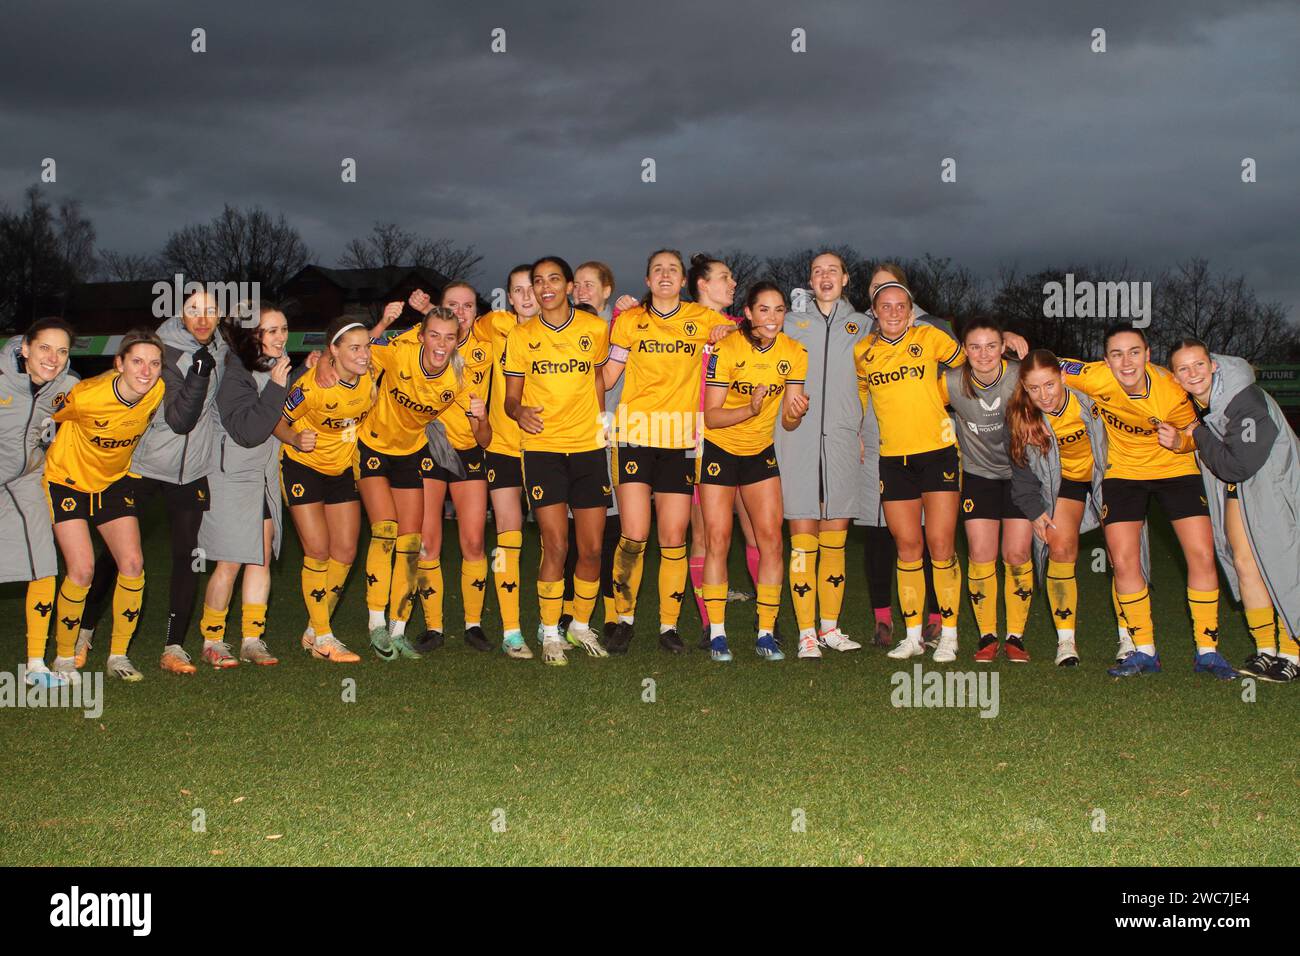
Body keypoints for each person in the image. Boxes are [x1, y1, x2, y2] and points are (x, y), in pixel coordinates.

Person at [1058, 323, 1230, 679]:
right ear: (1105, 360)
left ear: (1148, 355)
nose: (1126, 362)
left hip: (1175, 469)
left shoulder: (1171, 389)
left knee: (1200, 554)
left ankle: (1208, 652)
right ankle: (1144, 651)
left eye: (1134, 352)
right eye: (1117, 354)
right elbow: (1047, 365)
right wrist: (1016, 346)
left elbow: (1195, 435)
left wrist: (1180, 442)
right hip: (1123, 473)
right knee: (1122, 561)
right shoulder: (1094, 377)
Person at [76, 291, 226, 675]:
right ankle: (85, 630)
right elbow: (181, 419)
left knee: (187, 556)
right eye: (194, 310)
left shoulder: (223, 348)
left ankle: (173, 646)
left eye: (210, 311)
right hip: (146, 463)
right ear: (181, 313)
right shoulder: (164, 349)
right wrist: (199, 369)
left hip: (191, 469)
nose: (203, 318)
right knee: (116, 553)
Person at [601, 249, 736, 655]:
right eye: (657, 269)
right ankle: (624, 621)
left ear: (683, 282)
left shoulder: (704, 319)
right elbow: (607, 376)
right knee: (635, 534)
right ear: (646, 280)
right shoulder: (629, 321)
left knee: (674, 537)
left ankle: (668, 626)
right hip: (635, 437)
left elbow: (743, 335)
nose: (664, 274)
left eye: (672, 270)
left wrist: (724, 335)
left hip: (680, 440)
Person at [368, 284, 496, 653]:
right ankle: (434, 626)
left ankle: (473, 624)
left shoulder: (488, 346)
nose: (460, 311)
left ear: (476, 311)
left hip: (469, 449)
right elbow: (372, 354)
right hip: (428, 447)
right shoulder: (420, 342)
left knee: (473, 540)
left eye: (468, 305)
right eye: (452, 305)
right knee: (427, 544)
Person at [1166, 340, 1299, 683]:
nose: (1192, 373)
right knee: (1243, 561)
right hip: (1245, 484)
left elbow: (1236, 464)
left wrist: (1195, 433)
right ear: (1175, 377)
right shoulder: (1194, 402)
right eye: (1183, 368)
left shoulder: (1244, 398)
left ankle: (1292, 651)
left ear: (1213, 365)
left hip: (1274, 482)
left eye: (1198, 364)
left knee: (1279, 561)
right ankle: (1266, 648)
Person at [504, 256, 611, 665]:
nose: (544, 287)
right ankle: (550, 632)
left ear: (568, 286)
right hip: (543, 449)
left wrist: (601, 418)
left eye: (553, 279)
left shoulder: (594, 329)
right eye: (537, 281)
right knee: (555, 545)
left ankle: (580, 626)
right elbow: (511, 397)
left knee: (591, 548)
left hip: (588, 448)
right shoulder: (521, 336)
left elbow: (598, 377)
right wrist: (518, 412)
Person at [46, 329, 166, 682]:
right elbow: (43, 415)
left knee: (132, 563)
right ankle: (65, 657)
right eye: (137, 362)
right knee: (81, 570)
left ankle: (118, 656)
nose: (146, 371)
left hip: (113, 482)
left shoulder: (155, 391)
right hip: (67, 479)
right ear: (119, 364)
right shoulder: (85, 396)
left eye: (154, 363)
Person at [856, 281, 966, 662]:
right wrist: (856, 434)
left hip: (938, 454)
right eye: (884, 306)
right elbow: (860, 399)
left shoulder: (931, 337)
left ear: (910, 308)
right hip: (894, 459)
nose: (893, 312)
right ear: (874, 311)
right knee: (907, 549)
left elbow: (968, 367)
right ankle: (913, 635)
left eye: (900, 305)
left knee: (940, 546)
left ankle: (949, 634)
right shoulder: (863, 352)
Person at [699, 282, 809, 661]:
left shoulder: (794, 352)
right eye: (764, 310)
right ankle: (717, 634)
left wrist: (794, 413)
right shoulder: (726, 348)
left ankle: (765, 633)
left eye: (779, 310)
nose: (773, 318)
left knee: (772, 542)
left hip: (760, 453)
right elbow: (711, 417)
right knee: (718, 539)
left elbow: (790, 422)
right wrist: (750, 408)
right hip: (721, 450)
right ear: (747, 312)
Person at [194, 304, 299, 667]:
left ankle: (252, 639)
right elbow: (250, 431)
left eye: (283, 328)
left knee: (262, 556)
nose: (280, 337)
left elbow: (288, 407)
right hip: (231, 478)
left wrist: (310, 372)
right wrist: (278, 386)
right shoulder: (233, 371)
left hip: (264, 476)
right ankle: (213, 639)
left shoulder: (273, 367)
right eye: (270, 331)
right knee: (231, 561)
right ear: (251, 335)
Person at [777, 252, 869, 658]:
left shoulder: (865, 326)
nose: (825, 276)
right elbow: (747, 339)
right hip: (795, 439)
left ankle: (830, 627)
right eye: (817, 271)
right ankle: (806, 632)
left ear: (846, 278)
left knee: (835, 539)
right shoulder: (790, 323)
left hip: (843, 441)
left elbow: (914, 328)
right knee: (802, 537)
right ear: (809, 281)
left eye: (832, 270)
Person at [680, 254, 773, 651]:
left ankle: (767, 621)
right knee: (705, 533)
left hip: (746, 439)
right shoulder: (681, 323)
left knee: (756, 530)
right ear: (701, 284)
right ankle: (709, 625)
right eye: (724, 277)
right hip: (700, 440)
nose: (733, 282)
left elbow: (776, 335)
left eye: (732, 277)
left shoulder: (741, 328)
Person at [274, 316, 378, 664]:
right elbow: (278, 421)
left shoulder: (370, 376)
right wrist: (294, 438)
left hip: (341, 469)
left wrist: (386, 322)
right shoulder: (313, 385)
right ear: (333, 350)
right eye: (354, 348)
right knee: (317, 550)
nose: (364, 355)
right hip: (301, 466)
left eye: (366, 347)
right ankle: (323, 636)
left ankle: (312, 629)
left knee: (346, 551)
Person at [1008, 350, 1112, 666]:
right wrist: (1034, 509)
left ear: (1063, 377)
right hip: (1064, 484)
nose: (1044, 395)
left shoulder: (1090, 397)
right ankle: (1066, 642)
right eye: (1034, 388)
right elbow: (1021, 470)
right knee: (1061, 548)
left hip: (1109, 476)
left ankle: (1130, 637)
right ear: (1024, 389)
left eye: (1050, 385)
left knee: (1123, 554)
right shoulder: (1024, 417)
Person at [938, 318, 1034, 662]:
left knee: (1017, 554)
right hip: (979, 475)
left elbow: (1055, 381)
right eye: (975, 347)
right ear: (964, 351)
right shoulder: (949, 382)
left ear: (1003, 348)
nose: (983, 354)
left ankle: (1016, 636)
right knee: (981, 555)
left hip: (1020, 473)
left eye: (991, 345)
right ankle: (987, 635)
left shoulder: (1020, 376)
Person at [0, 318, 79, 686]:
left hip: (28, 479)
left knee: (43, 562)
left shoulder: (67, 387)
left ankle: (35, 665)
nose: (53, 358)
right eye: (45, 348)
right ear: (25, 348)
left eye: (62, 351)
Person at [479, 268, 539, 658]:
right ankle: (512, 629)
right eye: (518, 290)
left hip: (548, 446)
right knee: (508, 537)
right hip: (502, 446)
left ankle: (558, 622)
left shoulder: (561, 332)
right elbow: (451, 324)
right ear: (509, 298)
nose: (527, 296)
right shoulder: (496, 326)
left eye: (533, 288)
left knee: (557, 539)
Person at [563, 261, 623, 643]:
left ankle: (614, 613)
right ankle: (569, 610)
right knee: (571, 532)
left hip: (614, 441)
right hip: (567, 441)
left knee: (614, 531)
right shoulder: (562, 328)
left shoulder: (623, 329)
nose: (583, 290)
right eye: (578, 284)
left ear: (607, 290)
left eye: (591, 284)